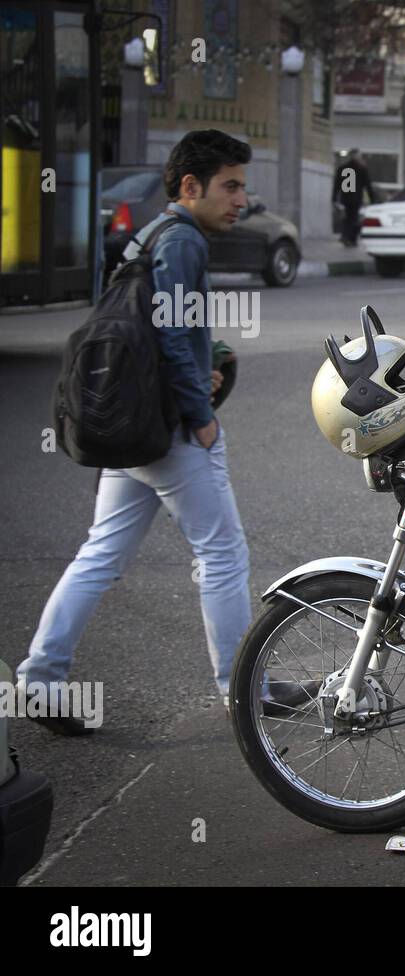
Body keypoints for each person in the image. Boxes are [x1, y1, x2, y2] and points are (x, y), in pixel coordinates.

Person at [17, 130, 254, 734]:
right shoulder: (183, 243)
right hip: (168, 429)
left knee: (100, 553)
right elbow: (173, 335)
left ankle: (40, 682)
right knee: (223, 553)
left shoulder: (145, 239)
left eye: (242, 187)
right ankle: (240, 688)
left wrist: (214, 354)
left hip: (134, 425)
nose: (240, 199)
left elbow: (157, 325)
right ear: (190, 186)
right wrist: (199, 418)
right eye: (230, 186)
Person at [332, 148, 375, 247]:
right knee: (354, 218)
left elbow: (337, 184)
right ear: (357, 156)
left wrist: (334, 198)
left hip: (346, 197)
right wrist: (372, 199)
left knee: (348, 217)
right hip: (356, 198)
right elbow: (368, 185)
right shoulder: (361, 169)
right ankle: (350, 238)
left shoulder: (342, 168)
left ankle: (346, 236)